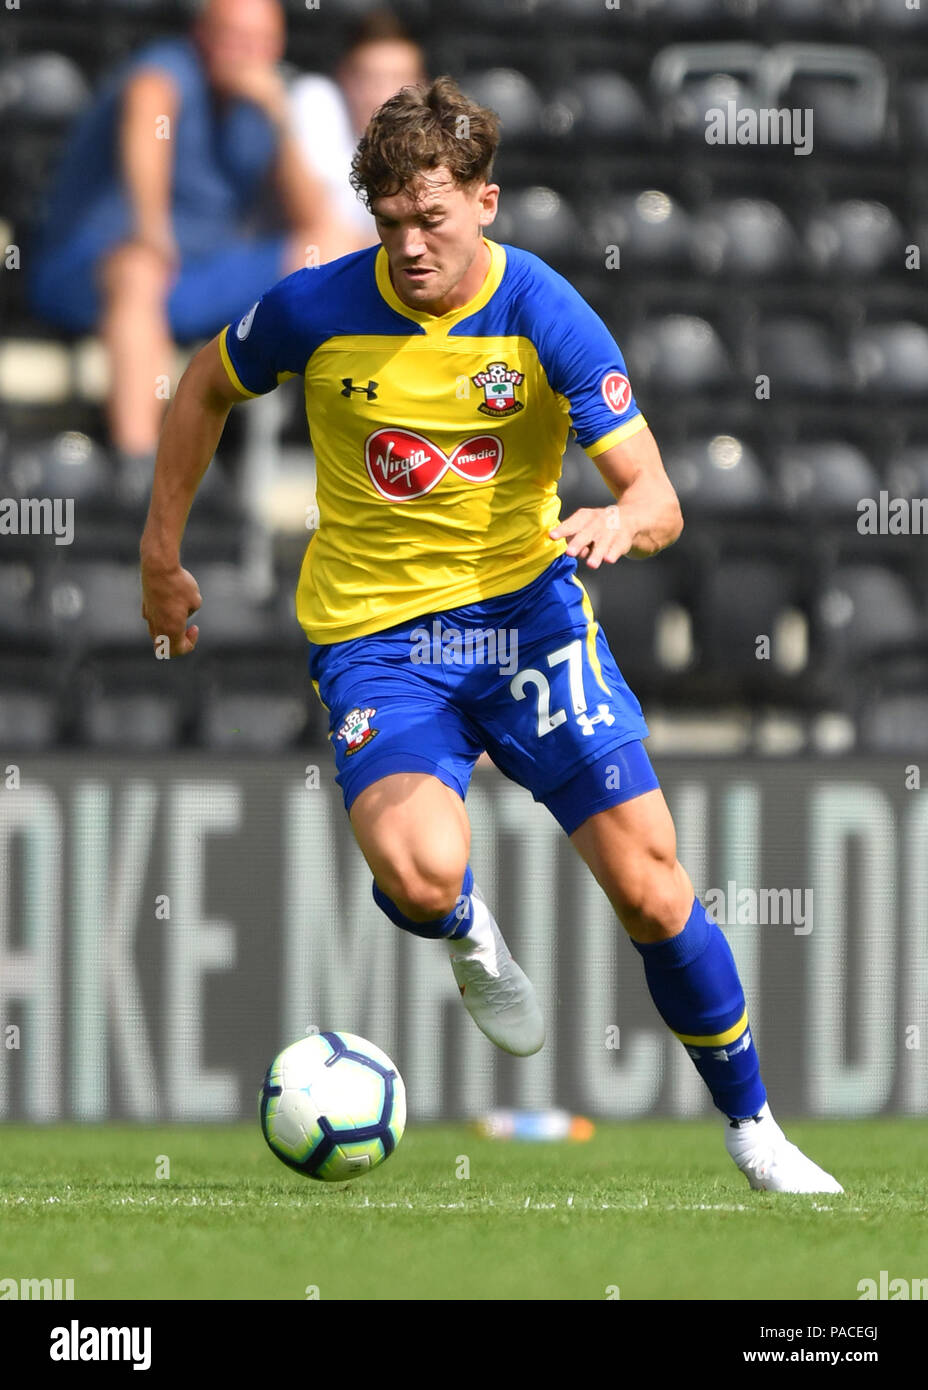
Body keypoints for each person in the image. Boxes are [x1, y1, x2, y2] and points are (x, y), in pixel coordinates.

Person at [140, 77, 843, 1194]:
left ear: (486, 202)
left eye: (433, 219)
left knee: (655, 888)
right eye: (390, 224)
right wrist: (160, 554)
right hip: (381, 640)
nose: (410, 246)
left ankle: (756, 1130)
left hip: (527, 626)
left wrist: (621, 518)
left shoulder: (545, 312)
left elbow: (658, 494)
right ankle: (468, 933)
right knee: (420, 875)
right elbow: (199, 389)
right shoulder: (316, 308)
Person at [29, 0, 351, 493]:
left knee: (337, 249)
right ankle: (142, 470)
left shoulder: (262, 104)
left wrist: (280, 119)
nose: (247, 53)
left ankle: (347, 439)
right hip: (97, 272)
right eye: (233, 37)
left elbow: (314, 219)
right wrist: (154, 234)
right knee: (141, 268)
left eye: (260, 41)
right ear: (203, 33)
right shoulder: (163, 72)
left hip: (196, 277)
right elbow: (146, 121)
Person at [288, 8, 426, 245]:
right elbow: (316, 227)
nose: (382, 96)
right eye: (368, 78)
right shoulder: (316, 101)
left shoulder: (434, 139)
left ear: (421, 85)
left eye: (397, 78)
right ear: (344, 78)